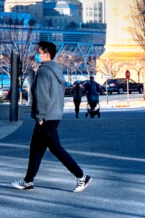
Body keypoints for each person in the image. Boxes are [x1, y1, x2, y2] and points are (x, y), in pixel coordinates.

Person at [13, 41, 92, 192]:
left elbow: (41, 95)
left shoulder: (44, 71)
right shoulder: (56, 70)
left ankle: (81, 176)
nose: (36, 54)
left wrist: (40, 116)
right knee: (36, 149)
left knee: (56, 149)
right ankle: (28, 181)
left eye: (39, 52)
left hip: (46, 117)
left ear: (46, 54)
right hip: (54, 114)